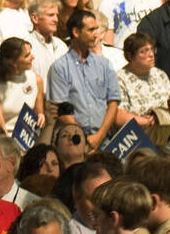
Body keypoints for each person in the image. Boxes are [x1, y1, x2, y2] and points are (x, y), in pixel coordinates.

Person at [49, 10, 121, 148]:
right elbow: (62, 110)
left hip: (104, 139)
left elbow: (113, 103)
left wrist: (99, 136)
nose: (96, 34)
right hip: (74, 141)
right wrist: (84, 139)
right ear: (76, 32)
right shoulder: (59, 68)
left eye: (97, 29)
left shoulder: (105, 64)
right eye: (91, 30)